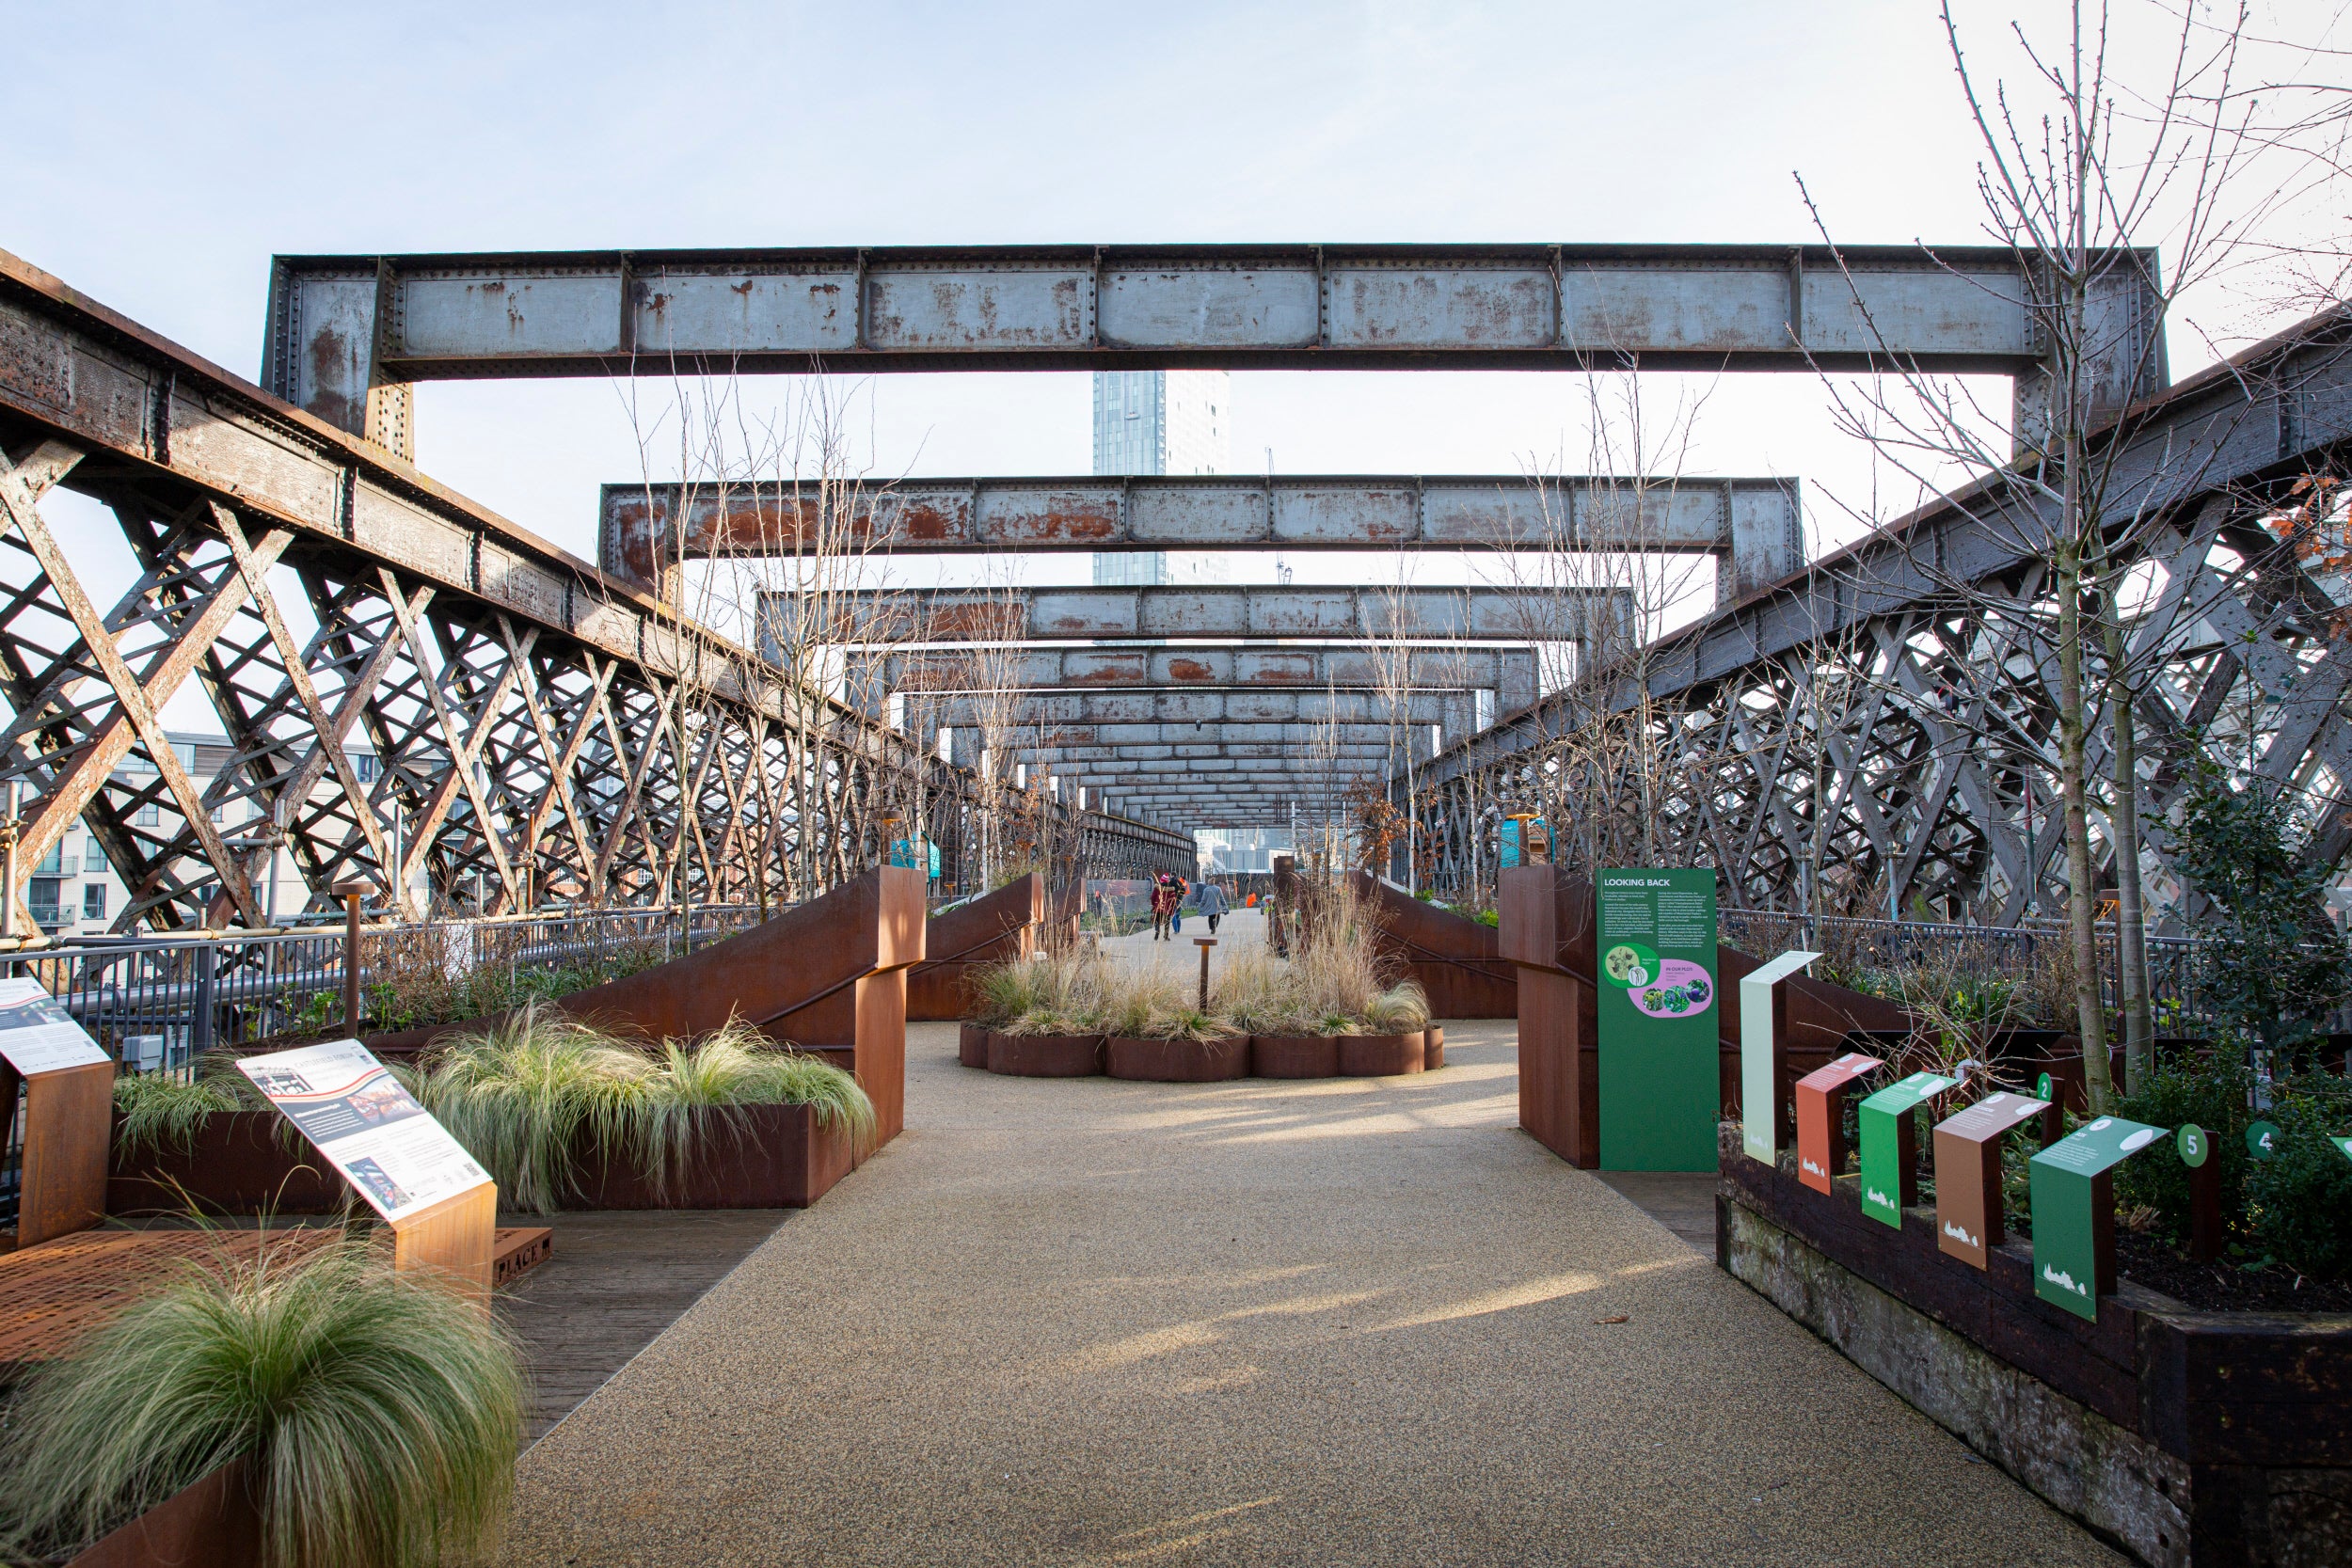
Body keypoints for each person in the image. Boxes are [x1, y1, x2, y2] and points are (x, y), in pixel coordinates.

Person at [1150, 872, 1180, 941]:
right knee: (1167, 922)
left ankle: (1157, 930)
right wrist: (1174, 906)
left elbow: (1152, 897)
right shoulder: (1171, 889)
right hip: (1168, 909)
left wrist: (1153, 904)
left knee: (1157, 920)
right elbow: (1173, 899)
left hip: (1158, 907)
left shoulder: (1157, 888)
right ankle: (1166, 936)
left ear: (1161, 880)